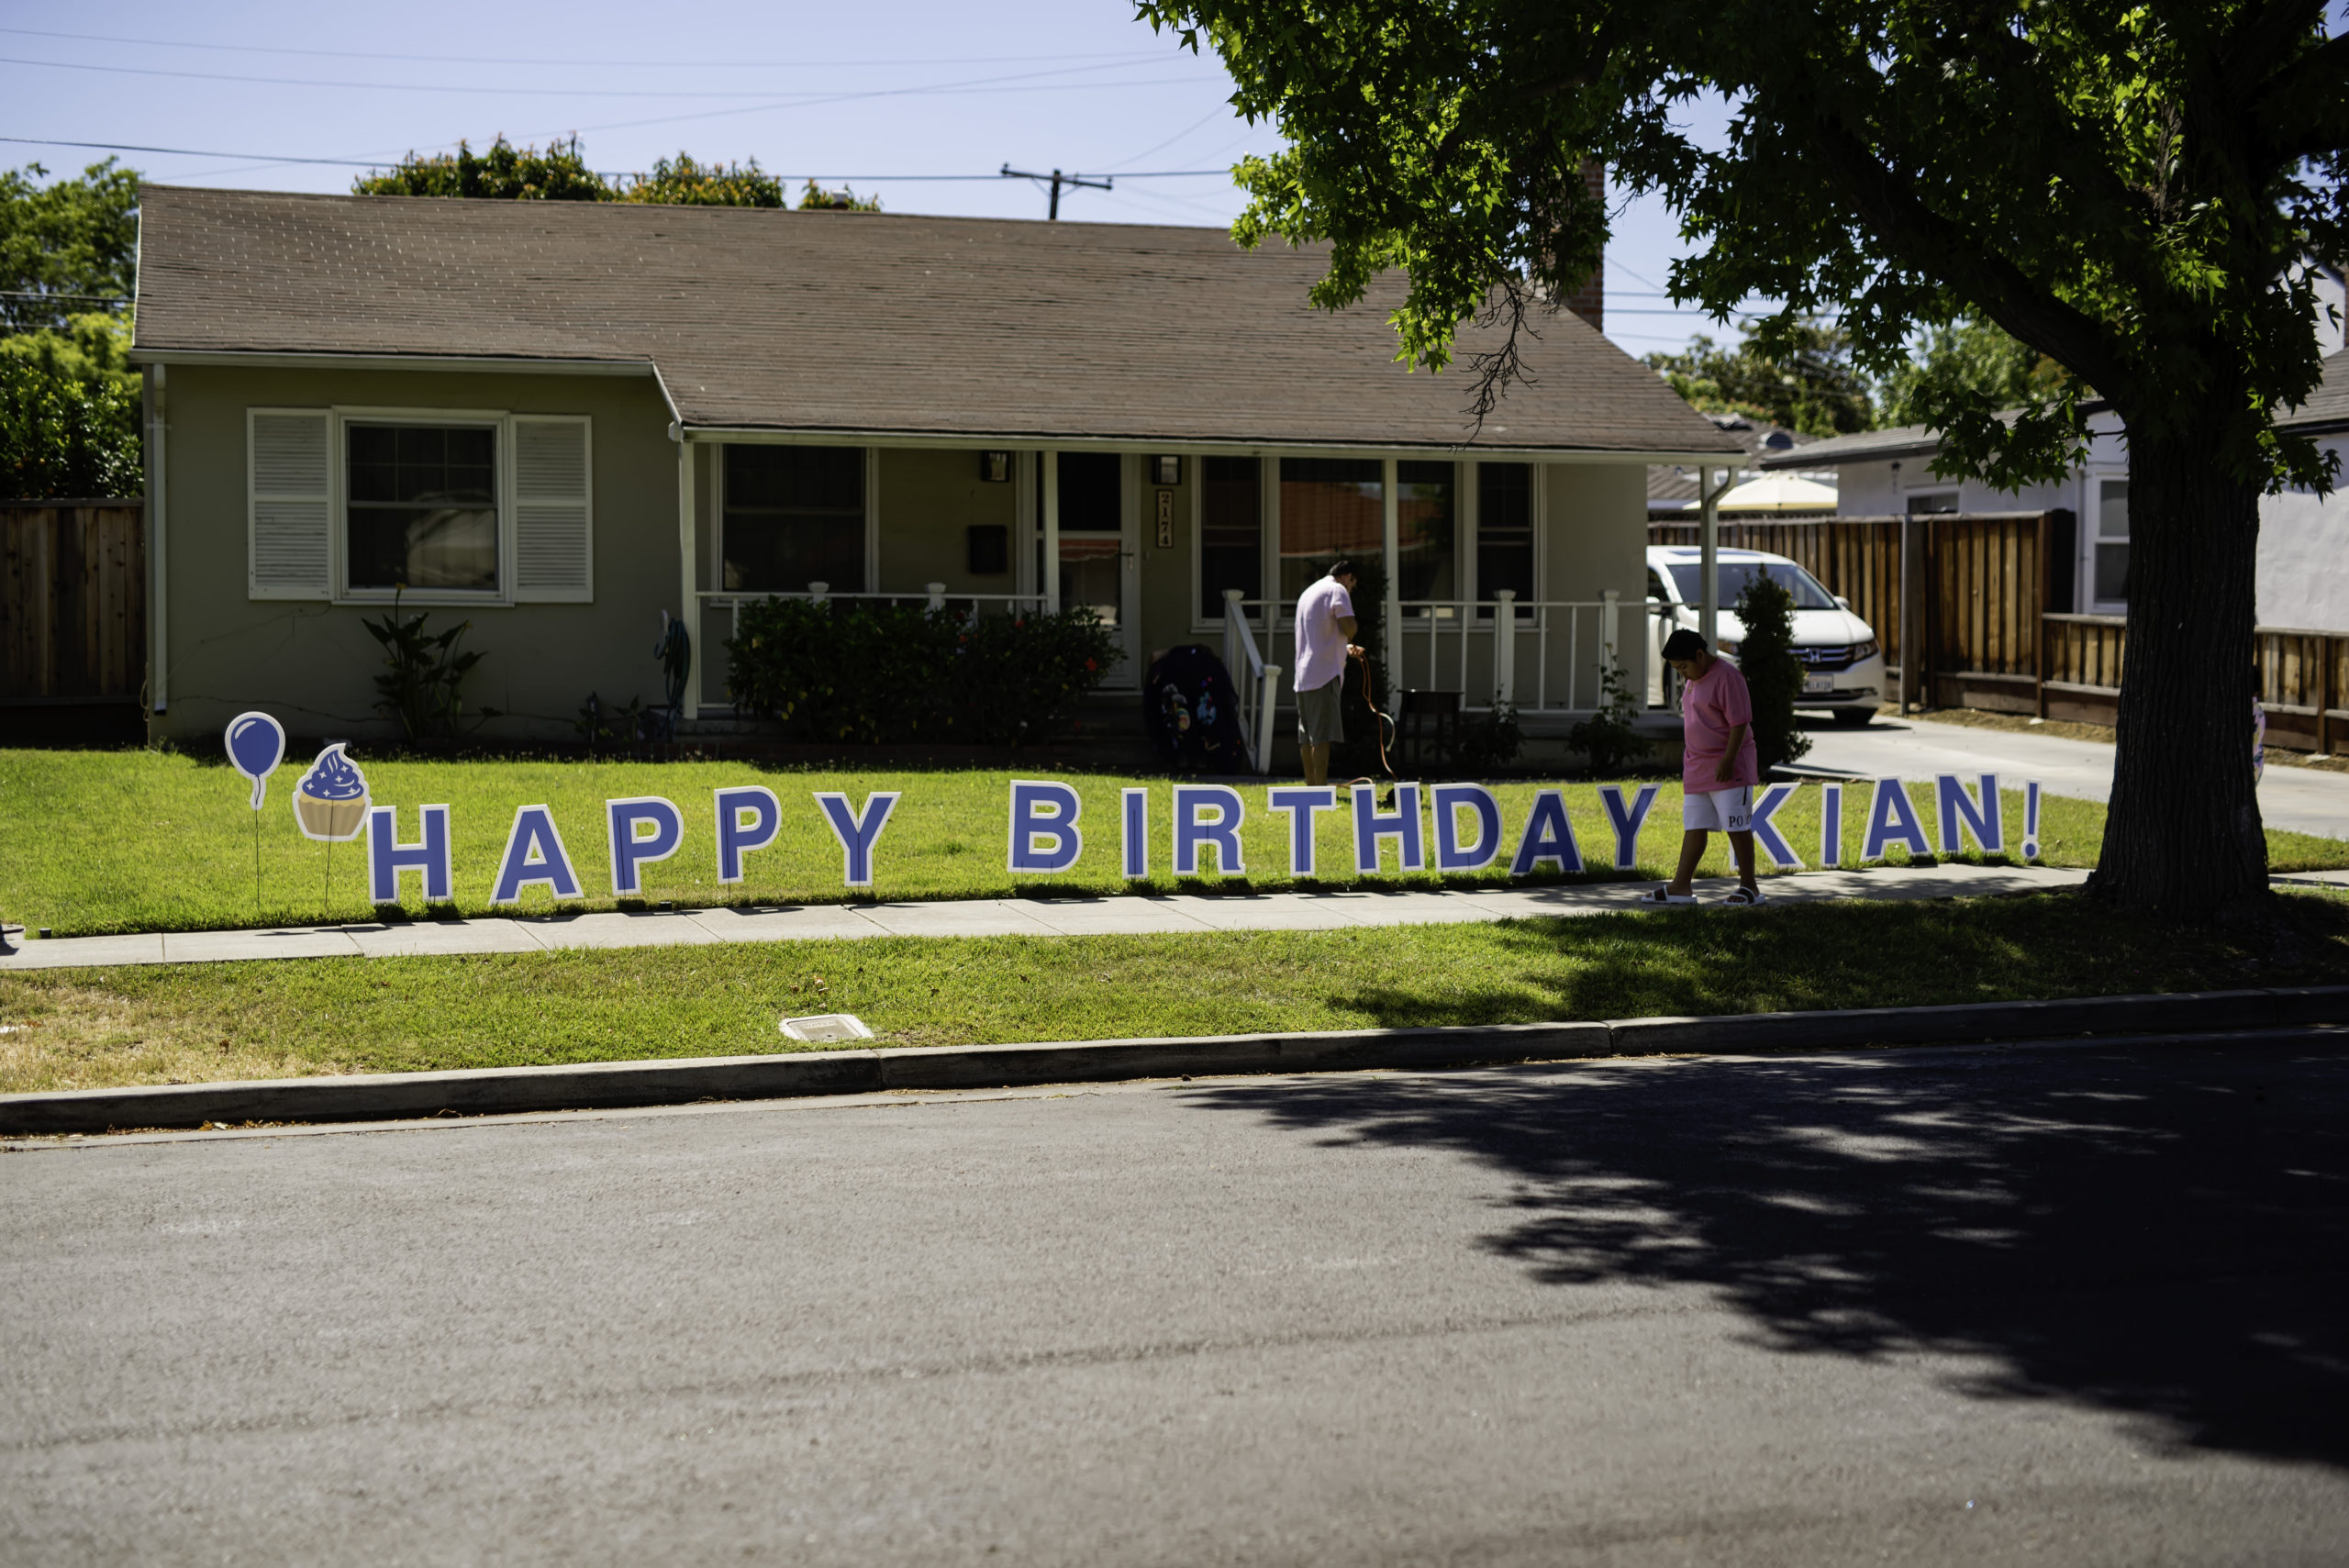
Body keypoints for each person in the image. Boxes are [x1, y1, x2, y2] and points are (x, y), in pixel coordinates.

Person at [1644, 628, 1765, 906]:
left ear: (1700, 655)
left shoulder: (1728, 677)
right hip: (1697, 767)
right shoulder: (1693, 679)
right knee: (1695, 826)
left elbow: (1739, 723)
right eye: (1677, 668)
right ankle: (1681, 886)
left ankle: (1750, 886)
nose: (1682, 674)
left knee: (1737, 825)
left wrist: (1728, 759)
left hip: (1728, 767)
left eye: (1684, 666)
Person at [1294, 559, 1363, 787]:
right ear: (1348, 577)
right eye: (1353, 584)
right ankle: (1320, 791)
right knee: (1322, 737)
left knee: (1307, 736)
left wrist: (1343, 649)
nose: (1351, 589)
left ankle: (1311, 786)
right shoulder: (1337, 589)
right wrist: (1351, 634)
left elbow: (1317, 636)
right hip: (1324, 674)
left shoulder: (1309, 592)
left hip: (1303, 674)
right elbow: (1349, 627)